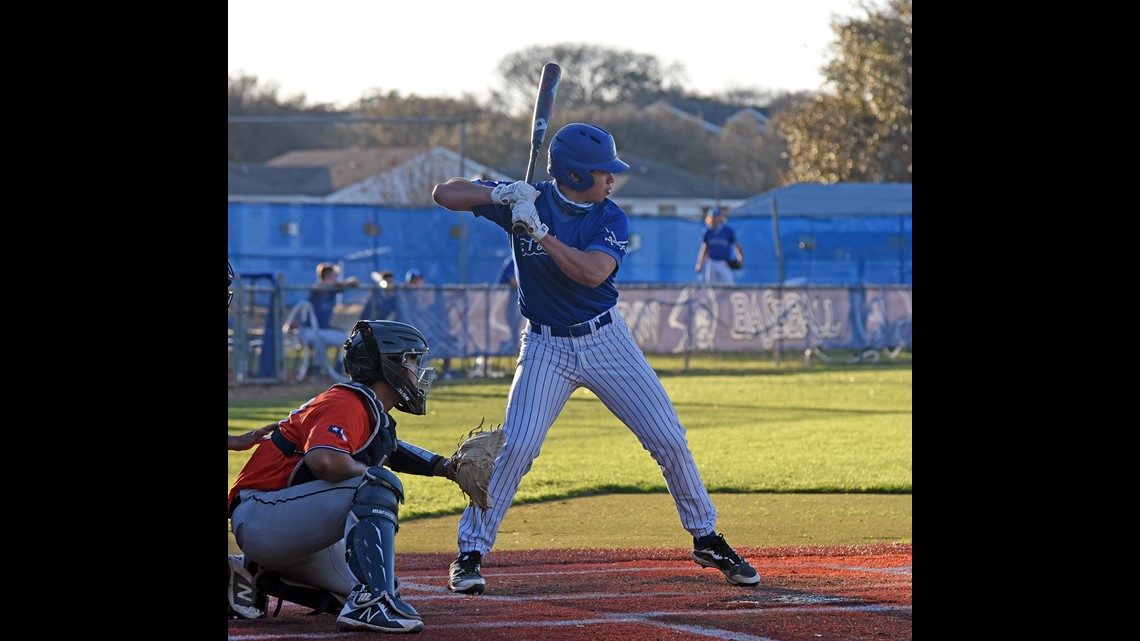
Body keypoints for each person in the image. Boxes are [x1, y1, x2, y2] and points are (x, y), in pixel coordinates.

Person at [431, 122, 759, 595]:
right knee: (516, 447)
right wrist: (502, 194)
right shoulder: (526, 198)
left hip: (607, 341)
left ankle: (706, 538)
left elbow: (590, 273)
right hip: (544, 346)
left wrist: (539, 232)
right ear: (576, 175)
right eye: (604, 172)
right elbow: (445, 193)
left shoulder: (610, 217)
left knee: (668, 439)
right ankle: (470, 552)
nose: (612, 179)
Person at [227, 320, 459, 633]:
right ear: (388, 364)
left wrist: (448, 467)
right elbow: (323, 460)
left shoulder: (363, 406)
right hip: (261, 515)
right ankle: (371, 602)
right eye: (411, 361)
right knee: (377, 483)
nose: (417, 371)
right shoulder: (346, 402)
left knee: (377, 580)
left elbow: (391, 450)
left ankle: (253, 572)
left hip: (280, 521)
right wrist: (371, 474)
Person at [300, 262, 360, 376]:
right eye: (334, 275)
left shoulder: (333, 289)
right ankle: (316, 371)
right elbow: (322, 286)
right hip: (308, 330)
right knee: (320, 339)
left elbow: (353, 282)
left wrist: (348, 283)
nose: (336, 278)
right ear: (328, 276)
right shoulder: (317, 288)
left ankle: (338, 368)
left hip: (323, 330)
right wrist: (339, 284)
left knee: (349, 339)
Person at [694, 208, 744, 284]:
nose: (715, 218)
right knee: (711, 286)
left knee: (729, 285)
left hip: (724, 262)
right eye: (713, 216)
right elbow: (705, 249)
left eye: (717, 216)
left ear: (721, 217)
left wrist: (740, 258)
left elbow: (737, 245)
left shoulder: (727, 231)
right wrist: (700, 264)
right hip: (712, 262)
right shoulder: (708, 232)